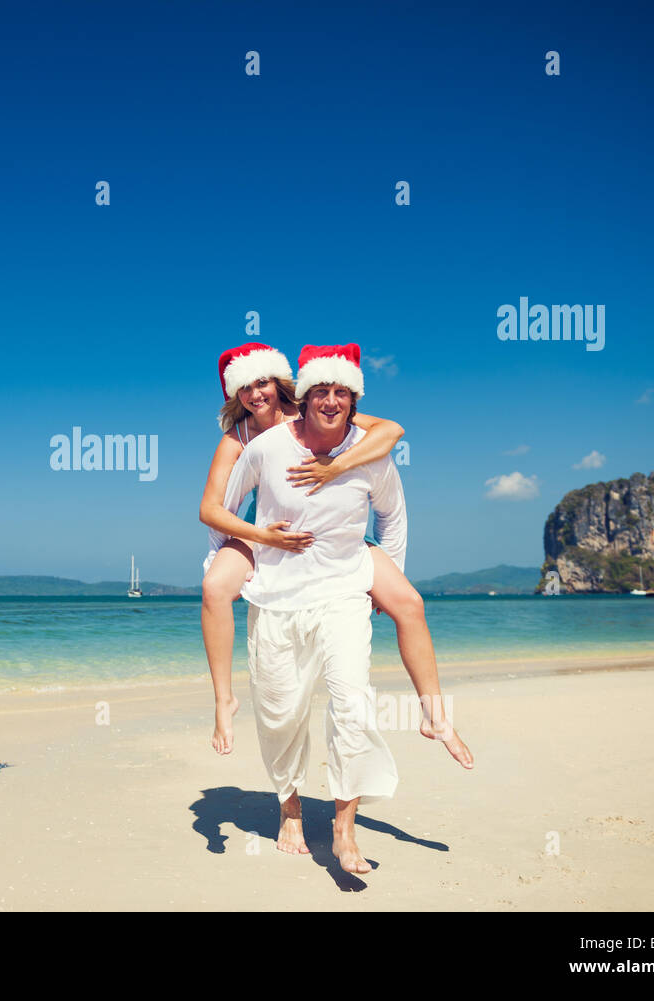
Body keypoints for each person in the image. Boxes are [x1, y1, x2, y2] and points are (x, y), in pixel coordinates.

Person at [198, 342, 471, 769]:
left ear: (281, 384)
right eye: (245, 388)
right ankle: (224, 700)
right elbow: (211, 509)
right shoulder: (239, 441)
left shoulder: (313, 409)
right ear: (235, 395)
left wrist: (336, 467)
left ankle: (435, 715)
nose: (256, 394)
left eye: (263, 382)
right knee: (214, 586)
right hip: (264, 529)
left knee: (409, 604)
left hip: (338, 536)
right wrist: (257, 541)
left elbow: (391, 431)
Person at [215, 343, 404, 870]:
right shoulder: (260, 445)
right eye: (321, 390)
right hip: (276, 595)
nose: (331, 400)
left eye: (340, 391)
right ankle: (290, 807)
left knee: (352, 701)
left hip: (342, 592)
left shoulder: (366, 448)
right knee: (280, 711)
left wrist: (380, 576)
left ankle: (344, 827)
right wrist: (242, 552)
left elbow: (393, 512)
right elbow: (220, 508)